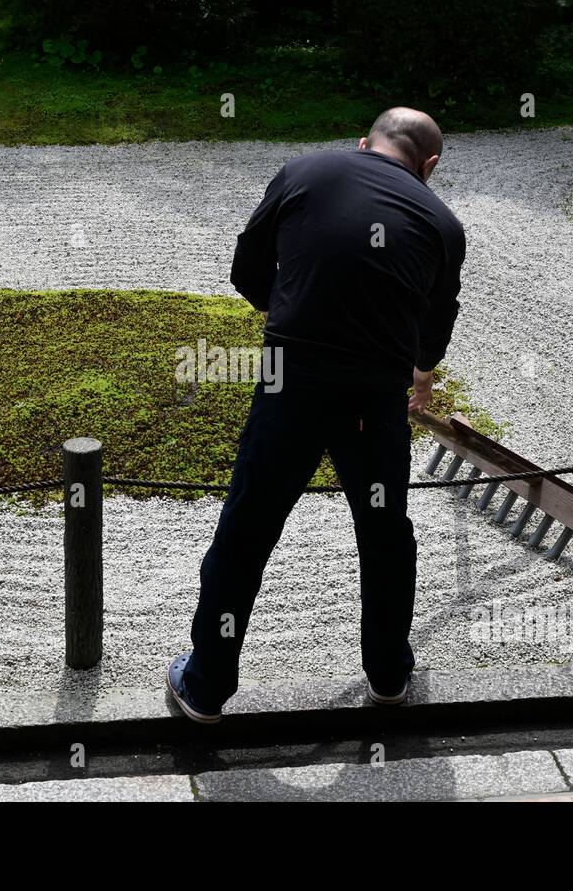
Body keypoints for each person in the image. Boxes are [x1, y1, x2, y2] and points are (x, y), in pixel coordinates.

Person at [166, 107, 466, 723]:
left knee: (248, 525)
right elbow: (435, 321)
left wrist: (291, 310)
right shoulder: (442, 221)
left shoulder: (306, 170)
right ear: (429, 164)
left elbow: (246, 265)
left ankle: (206, 686)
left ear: (365, 142)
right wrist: (422, 372)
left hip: (291, 381)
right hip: (375, 398)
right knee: (384, 534)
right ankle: (387, 675)